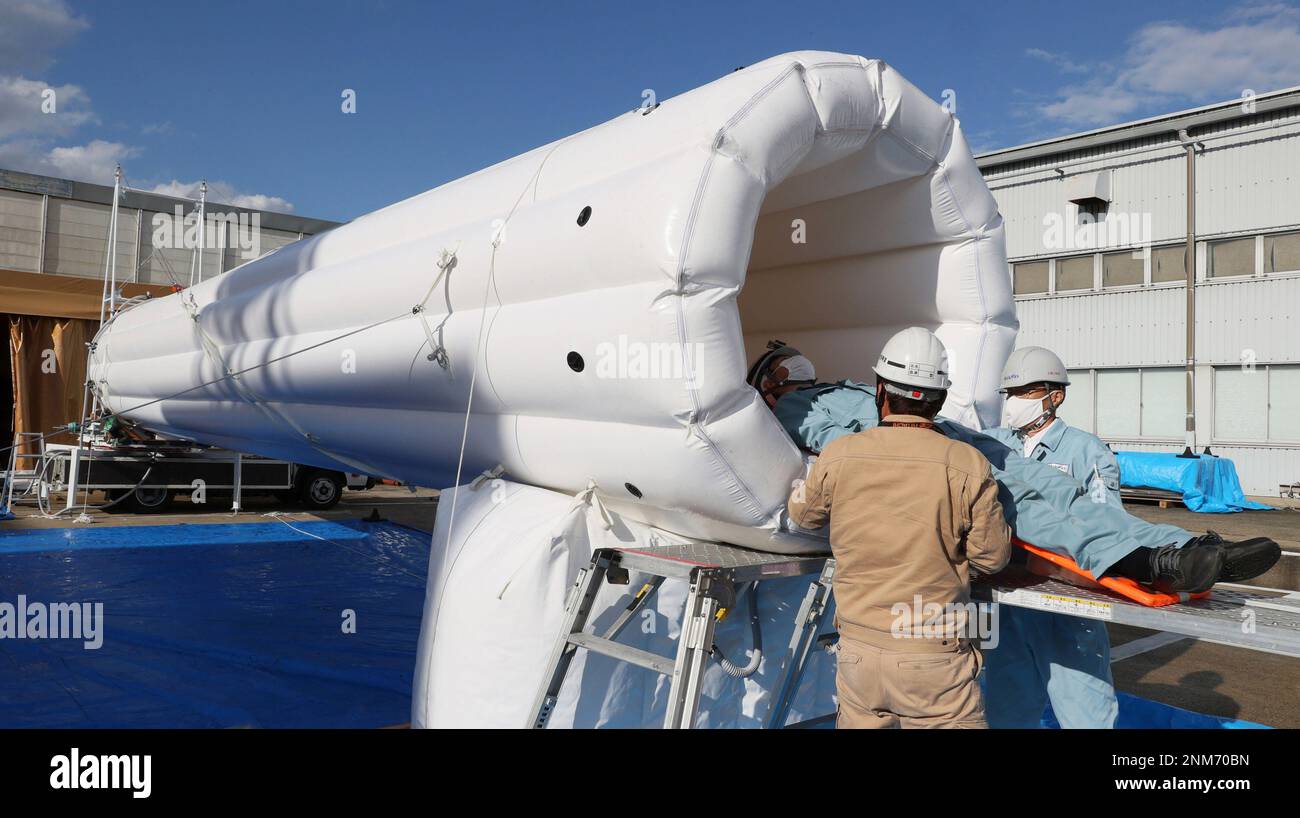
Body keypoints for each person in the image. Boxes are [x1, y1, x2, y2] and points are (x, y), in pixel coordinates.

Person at [754, 335, 1282, 591]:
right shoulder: (794, 409)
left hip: (942, 429)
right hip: (918, 442)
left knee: (1059, 489)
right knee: (1023, 504)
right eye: (785, 369)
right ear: (774, 383)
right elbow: (846, 440)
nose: (794, 372)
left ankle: (1183, 544)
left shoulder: (836, 388)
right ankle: (1149, 563)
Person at [787, 327, 1010, 728]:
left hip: (859, 655)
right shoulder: (967, 463)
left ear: (880, 390)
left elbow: (803, 517)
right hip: (934, 659)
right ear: (939, 400)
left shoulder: (839, 455)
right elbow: (992, 558)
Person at [980, 347, 1119, 728]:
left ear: (1055, 396)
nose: (1014, 401)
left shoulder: (1086, 451)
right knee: (1006, 713)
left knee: (1086, 715)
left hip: (1067, 609)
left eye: (1025, 391)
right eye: (1010, 393)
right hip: (1008, 602)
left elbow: (1108, 527)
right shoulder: (994, 444)